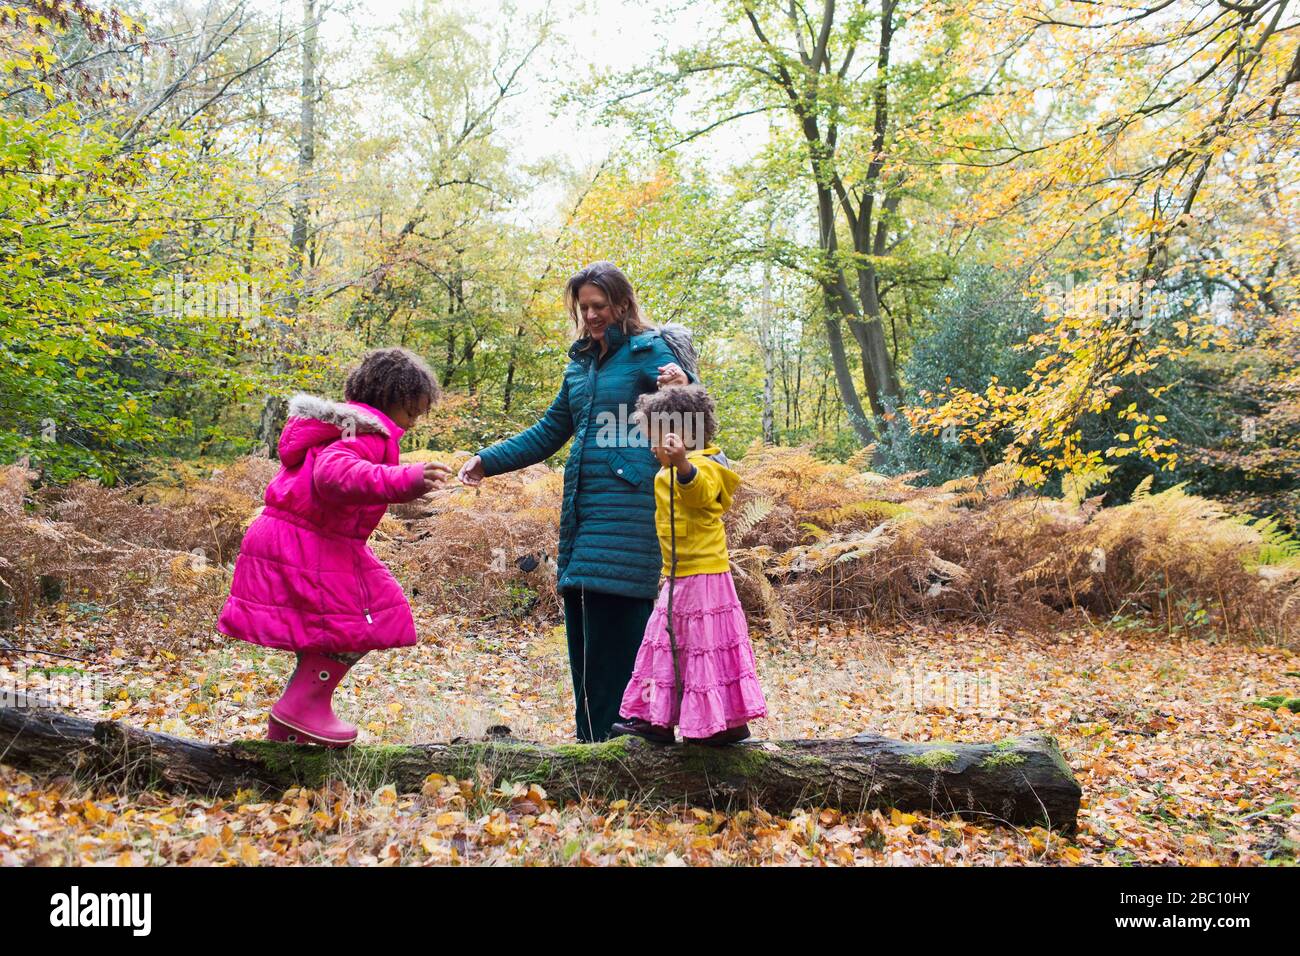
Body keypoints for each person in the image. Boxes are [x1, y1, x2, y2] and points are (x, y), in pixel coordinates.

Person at [458, 261, 693, 741]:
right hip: (582, 515)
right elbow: (549, 430)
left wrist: (680, 387)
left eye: (599, 306)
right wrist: (486, 460)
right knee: (584, 637)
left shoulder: (650, 351)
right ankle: (590, 746)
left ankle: (631, 744)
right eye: (583, 307)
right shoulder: (581, 364)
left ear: (622, 304)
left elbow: (689, 424)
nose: (590, 315)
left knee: (621, 631)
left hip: (629, 512)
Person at [217, 347, 452, 747]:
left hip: (302, 539)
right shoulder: (365, 431)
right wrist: (405, 478)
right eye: (411, 412)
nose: (413, 423)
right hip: (306, 543)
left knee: (333, 630)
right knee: (371, 617)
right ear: (389, 398)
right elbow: (334, 475)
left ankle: (288, 727)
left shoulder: (347, 428)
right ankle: (301, 708)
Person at [611, 384, 767, 745]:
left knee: (699, 646)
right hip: (679, 574)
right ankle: (662, 718)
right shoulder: (668, 471)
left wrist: (681, 464)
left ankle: (720, 722)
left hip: (703, 575)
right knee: (671, 644)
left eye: (655, 441)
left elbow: (698, 494)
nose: (651, 449)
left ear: (678, 439)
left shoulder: (704, 467)